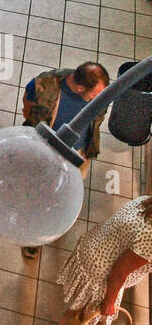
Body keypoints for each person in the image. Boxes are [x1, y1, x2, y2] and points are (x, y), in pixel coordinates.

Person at [20, 62, 110, 261]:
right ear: (79, 88)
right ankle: (32, 237)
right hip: (46, 154)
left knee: (65, 192)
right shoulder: (44, 86)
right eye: (94, 95)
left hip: (78, 154)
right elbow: (28, 109)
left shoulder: (97, 95)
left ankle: (58, 216)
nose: (99, 99)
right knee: (40, 195)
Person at [48, 196, 152, 325]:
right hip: (99, 274)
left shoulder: (146, 202)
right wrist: (109, 303)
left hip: (94, 245)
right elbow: (118, 273)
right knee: (78, 314)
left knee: (80, 310)